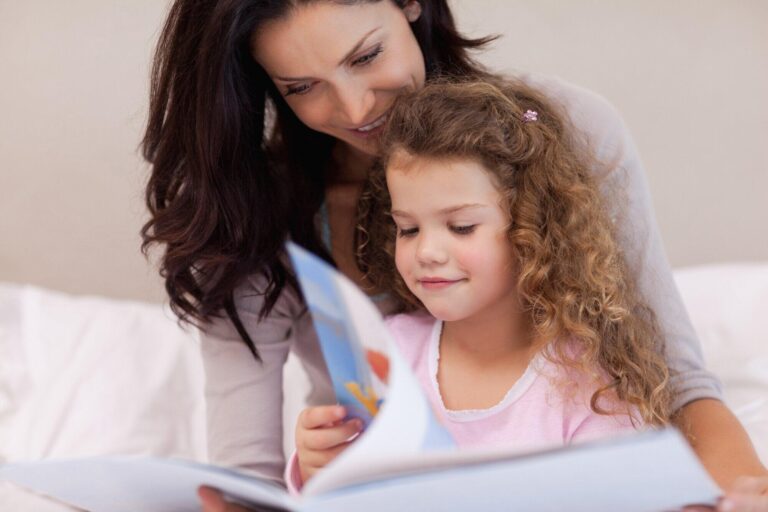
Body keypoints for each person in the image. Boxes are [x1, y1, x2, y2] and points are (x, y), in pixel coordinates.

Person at [139, 1, 767, 510]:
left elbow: (671, 379)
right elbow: (249, 479)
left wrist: (742, 493)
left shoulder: (559, 132)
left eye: (367, 55)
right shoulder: (251, 216)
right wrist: (320, 462)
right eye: (303, 87)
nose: (357, 109)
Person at [289, 78, 672, 491]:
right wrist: (317, 466)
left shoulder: (587, 384)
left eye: (461, 227)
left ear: (532, 229)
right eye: (409, 229)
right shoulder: (389, 352)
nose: (427, 252)